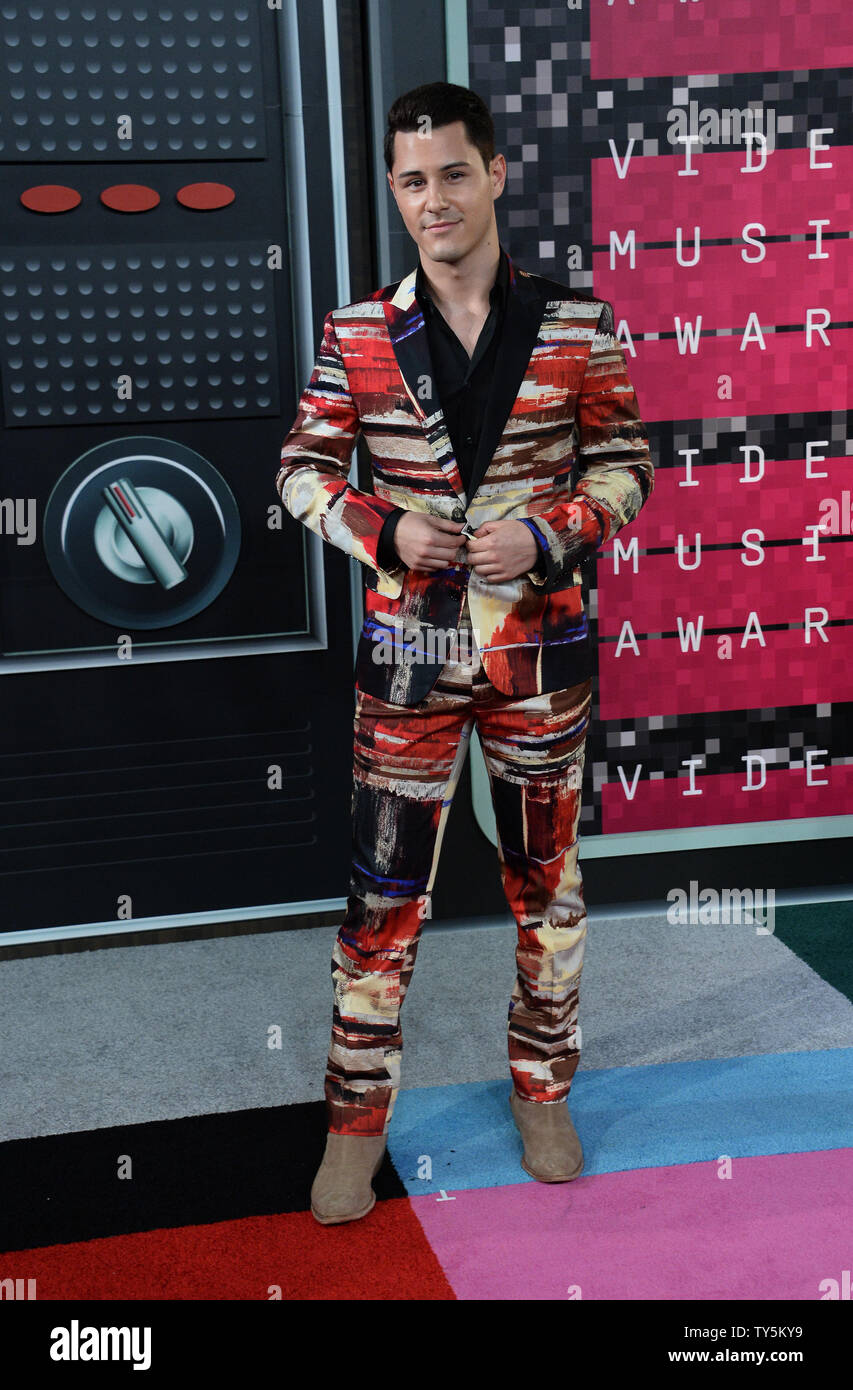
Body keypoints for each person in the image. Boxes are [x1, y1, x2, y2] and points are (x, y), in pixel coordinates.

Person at [275, 81, 654, 1225]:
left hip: (543, 658)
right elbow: (300, 470)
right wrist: (381, 528)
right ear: (394, 194)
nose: (431, 198)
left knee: (549, 890)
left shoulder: (581, 327)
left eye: (450, 173)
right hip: (408, 663)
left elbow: (626, 466)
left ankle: (543, 1087)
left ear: (494, 175)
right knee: (380, 900)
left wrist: (547, 533)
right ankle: (354, 1121)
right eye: (409, 181)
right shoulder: (354, 333)